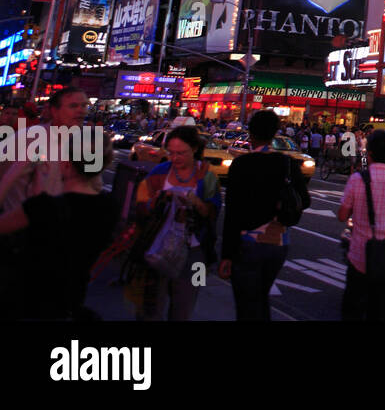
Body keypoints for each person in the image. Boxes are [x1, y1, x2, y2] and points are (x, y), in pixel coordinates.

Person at [219, 110, 312, 320]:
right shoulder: (287, 163)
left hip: (247, 241)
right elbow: (304, 200)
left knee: (246, 304)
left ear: (251, 134)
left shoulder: (242, 165)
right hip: (278, 242)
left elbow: (232, 213)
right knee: (261, 297)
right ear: (275, 133)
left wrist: (226, 254)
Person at [0, 150, 115, 319]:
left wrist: (13, 173)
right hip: (69, 303)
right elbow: (50, 215)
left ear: (67, 165)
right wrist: (40, 176)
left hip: (29, 301)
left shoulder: (43, 208)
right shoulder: (109, 207)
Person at [130, 126, 222, 320]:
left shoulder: (208, 177)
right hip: (157, 246)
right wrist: (155, 202)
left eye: (181, 153)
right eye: (171, 153)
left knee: (185, 308)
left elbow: (213, 214)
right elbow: (139, 206)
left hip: (196, 253)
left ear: (195, 149)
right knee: (150, 308)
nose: (175, 158)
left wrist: (195, 203)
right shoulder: (158, 172)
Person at [338, 130, 385, 321]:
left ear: (369, 153)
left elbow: (342, 215)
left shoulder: (358, 179)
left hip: (360, 257)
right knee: (379, 310)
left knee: (353, 309)